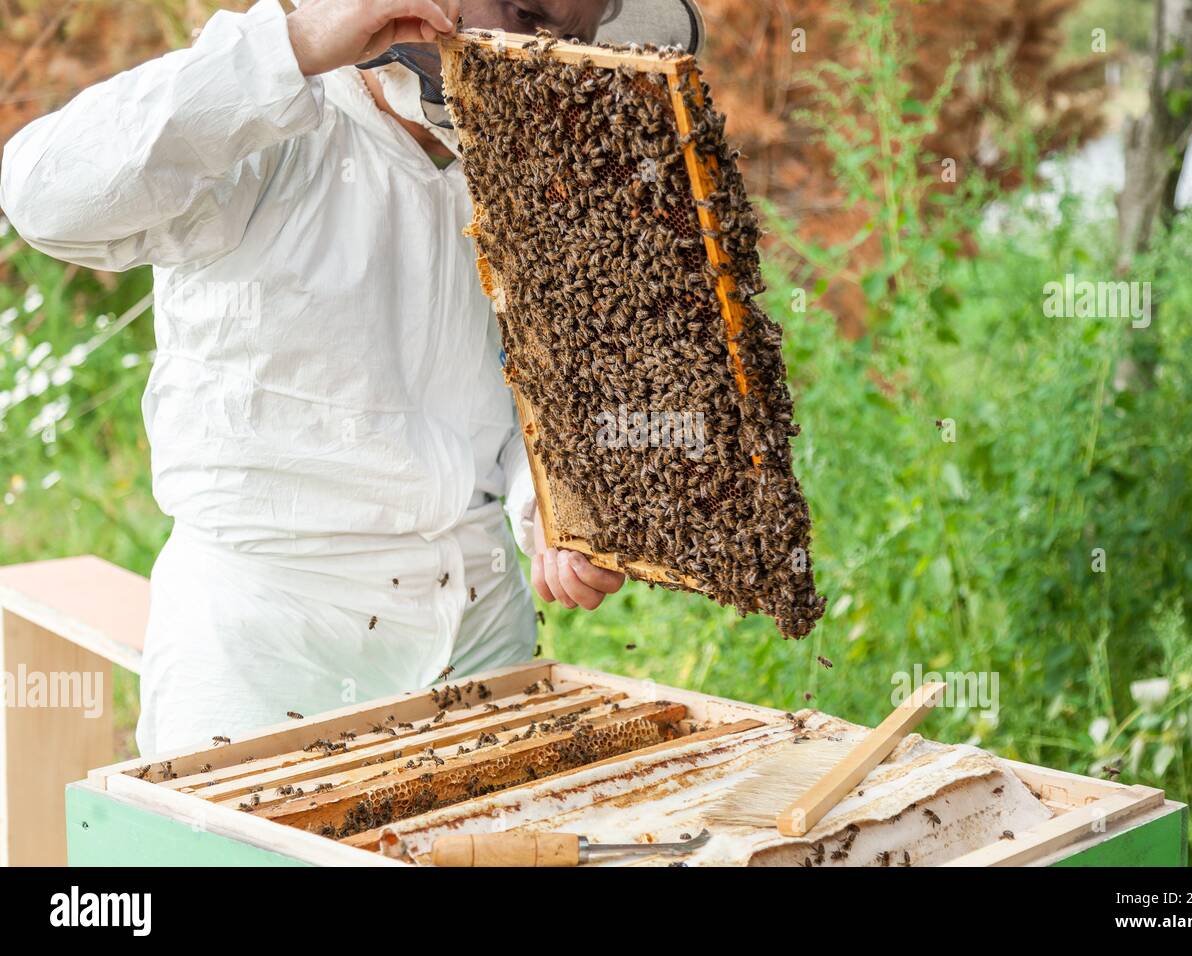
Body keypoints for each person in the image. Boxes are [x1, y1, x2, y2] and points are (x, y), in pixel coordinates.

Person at [0, 0, 705, 755]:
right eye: (528, 11)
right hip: (264, 652)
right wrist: (294, 45)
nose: (545, 50)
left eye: (572, 33)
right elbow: (46, 195)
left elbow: (537, 385)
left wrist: (559, 511)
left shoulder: (547, 169)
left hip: (481, 640)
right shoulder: (269, 119)